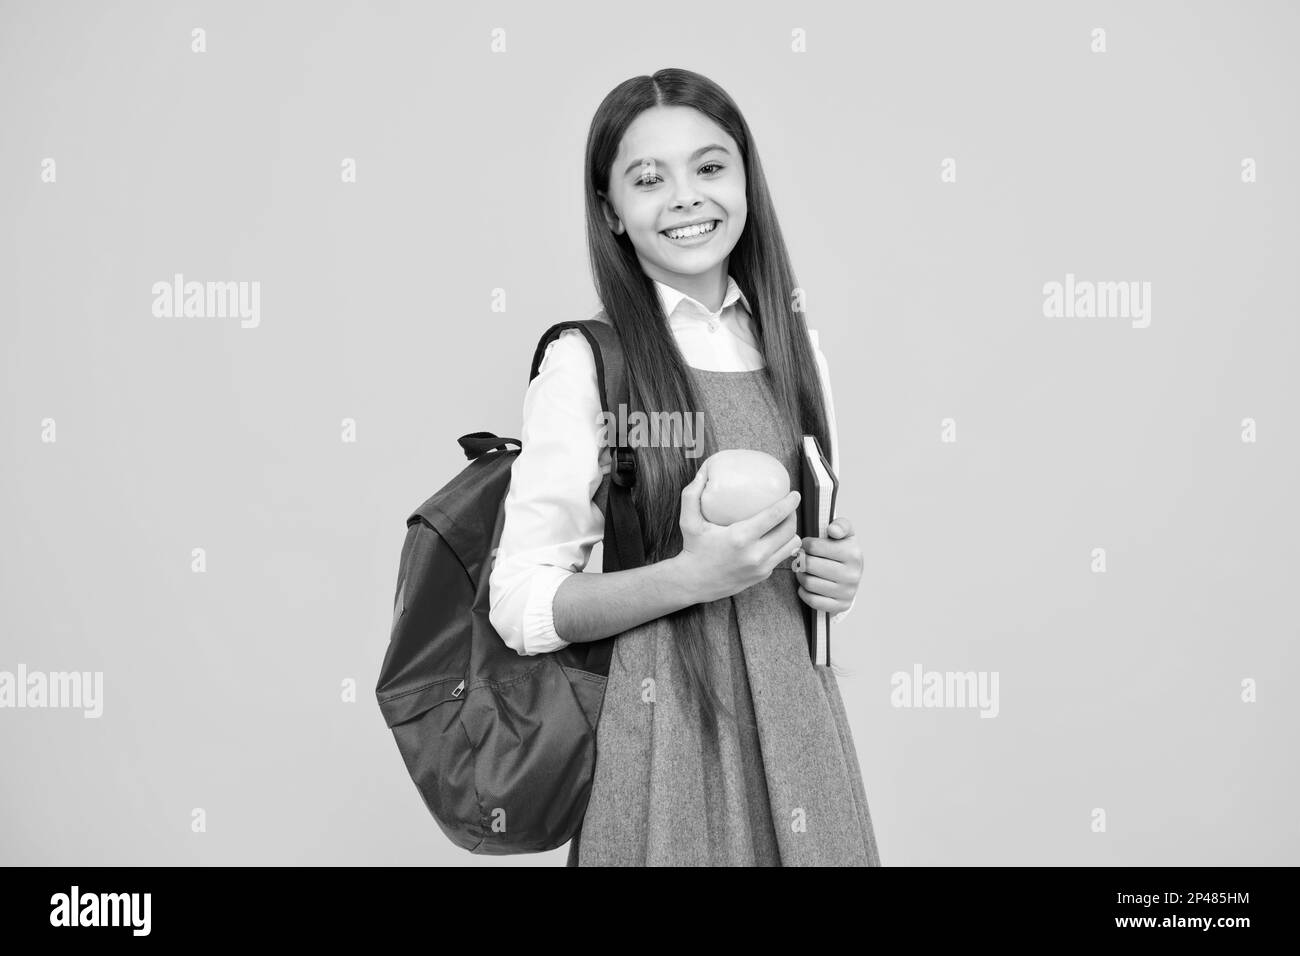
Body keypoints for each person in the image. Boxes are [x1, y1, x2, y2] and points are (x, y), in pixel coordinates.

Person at [488, 68, 881, 866]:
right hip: (661, 731)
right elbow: (519, 603)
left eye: (709, 168)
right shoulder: (585, 361)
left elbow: (806, 542)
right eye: (647, 179)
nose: (686, 198)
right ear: (612, 212)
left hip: (800, 728)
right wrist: (690, 578)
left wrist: (833, 571)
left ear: (744, 179)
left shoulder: (794, 348)